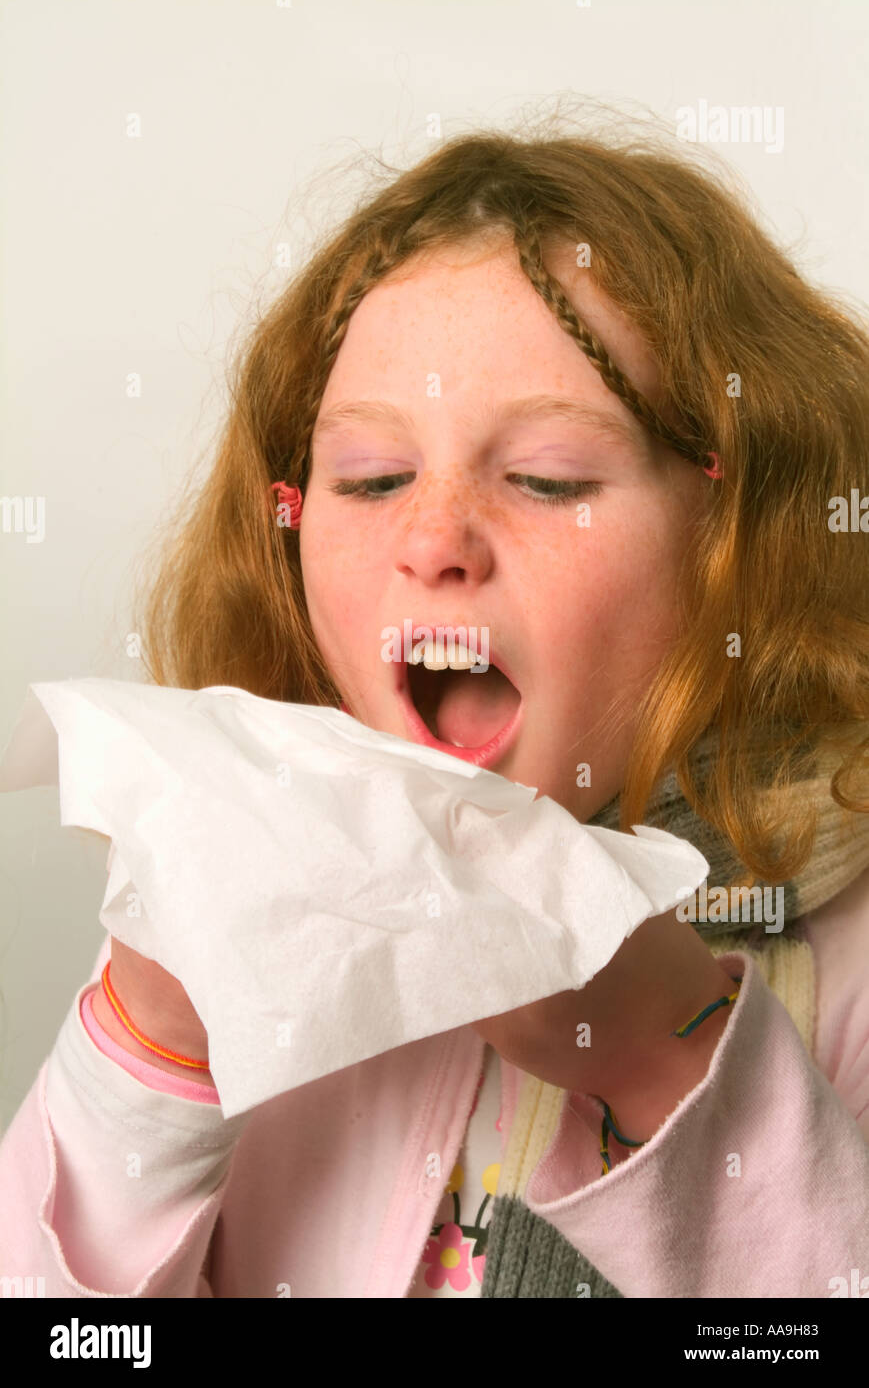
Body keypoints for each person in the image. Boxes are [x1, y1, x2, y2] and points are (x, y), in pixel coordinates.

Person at [2, 125, 868, 1299]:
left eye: (548, 477)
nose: (432, 539)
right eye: (369, 478)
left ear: (732, 543)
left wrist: (667, 1056)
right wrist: (150, 1047)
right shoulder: (241, 906)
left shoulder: (845, 951)